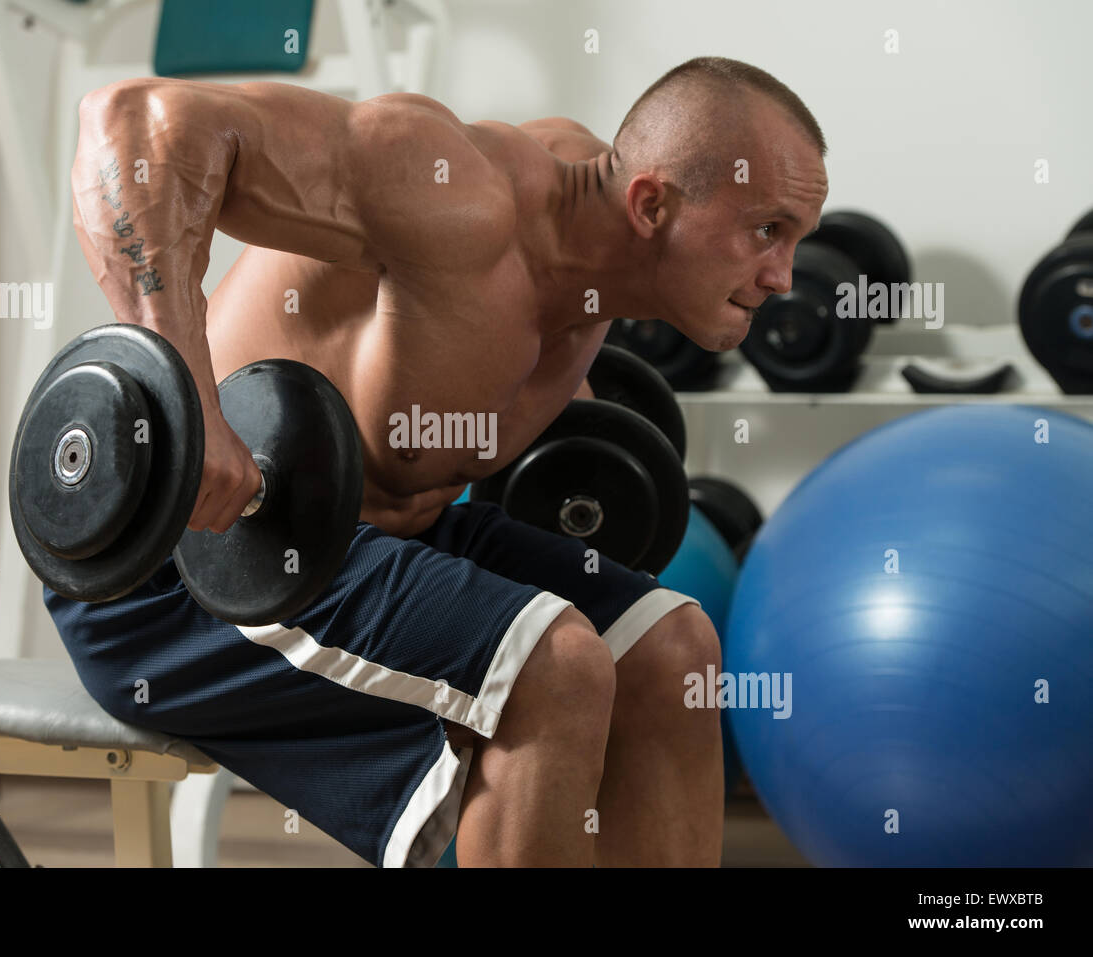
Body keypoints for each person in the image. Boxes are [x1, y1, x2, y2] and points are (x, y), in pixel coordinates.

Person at [49, 55, 829, 867]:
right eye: (766, 231)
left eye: (797, 240)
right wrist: (184, 402)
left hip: (371, 544)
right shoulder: (450, 193)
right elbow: (133, 121)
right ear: (651, 204)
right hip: (192, 567)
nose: (784, 279)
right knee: (553, 664)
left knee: (672, 649)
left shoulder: (594, 228)